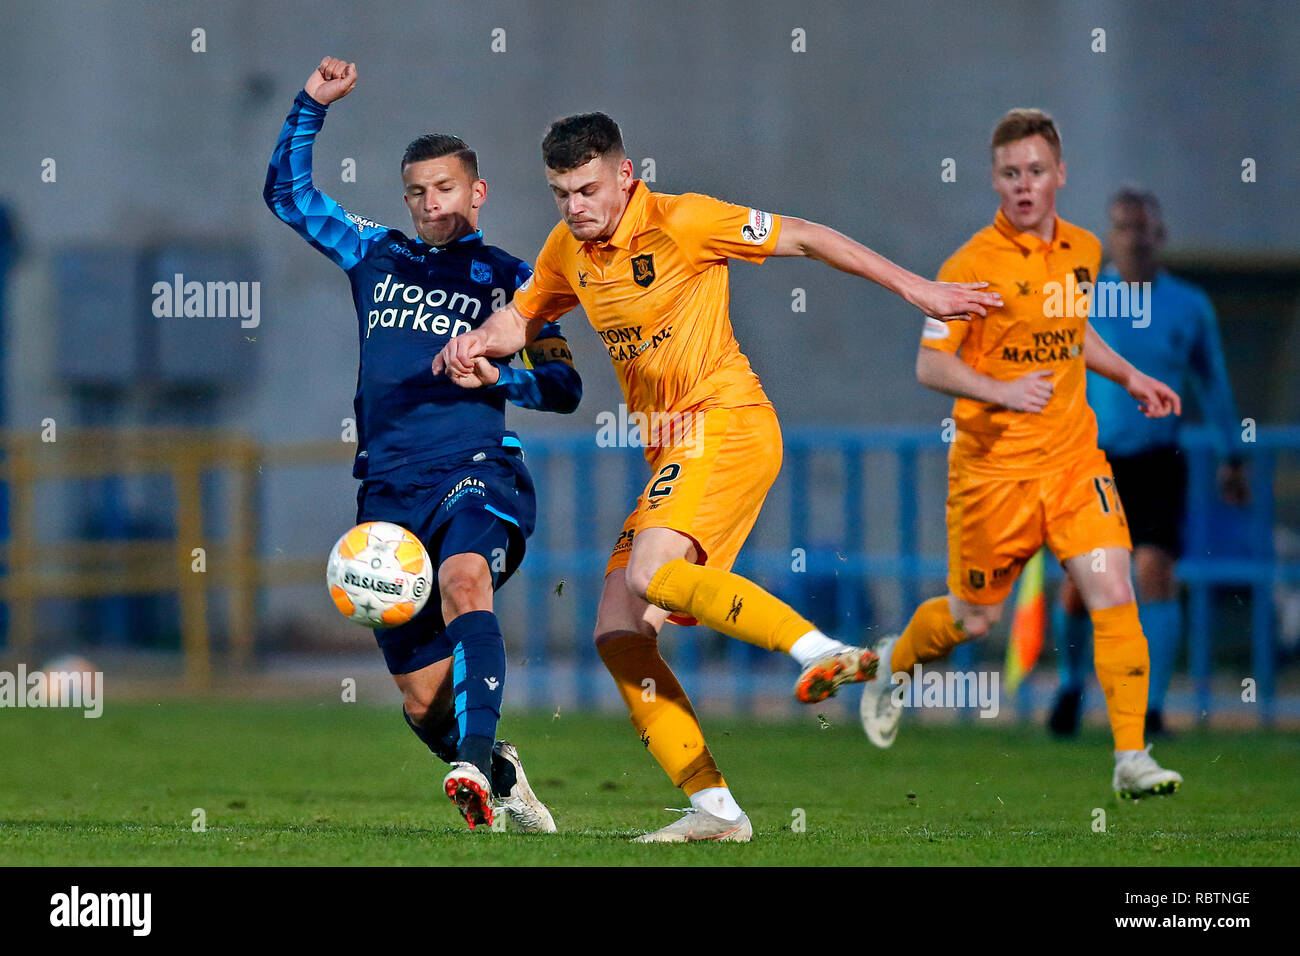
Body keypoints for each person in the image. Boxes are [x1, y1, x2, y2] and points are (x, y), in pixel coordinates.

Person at [434, 111, 1001, 841]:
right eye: (559, 194)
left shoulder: (686, 221)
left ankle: (819, 651)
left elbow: (805, 235)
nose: (574, 207)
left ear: (625, 175)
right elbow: (523, 317)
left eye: (586, 189)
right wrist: (477, 346)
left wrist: (916, 288)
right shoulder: (568, 250)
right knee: (618, 630)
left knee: (650, 572)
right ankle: (716, 810)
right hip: (674, 450)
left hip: (727, 420)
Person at [264, 57, 582, 831]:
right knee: (418, 696)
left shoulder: (517, 279)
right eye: (416, 191)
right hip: (387, 490)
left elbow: (564, 389)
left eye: (444, 188)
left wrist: (498, 381)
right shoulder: (376, 254)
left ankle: (471, 763)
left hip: (476, 473)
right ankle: (498, 769)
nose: (429, 202)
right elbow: (289, 196)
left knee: (465, 578)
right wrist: (310, 104)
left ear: (476, 191)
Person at [859, 109, 1185, 800]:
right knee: (973, 619)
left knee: (1115, 590)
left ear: (1060, 174)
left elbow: (1072, 333)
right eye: (1011, 174)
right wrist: (1000, 389)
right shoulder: (970, 266)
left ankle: (1131, 756)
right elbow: (931, 366)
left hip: (1073, 465)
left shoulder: (1083, 250)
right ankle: (894, 664)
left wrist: (1129, 376)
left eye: (1036, 171)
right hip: (992, 475)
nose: (1025, 185)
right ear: (996, 180)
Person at [1048, 187, 1247, 737]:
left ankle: (1150, 708)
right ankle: (1070, 686)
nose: (1135, 237)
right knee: (1078, 583)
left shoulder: (1189, 306)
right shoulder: (1080, 296)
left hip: (1160, 458)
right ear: (1110, 236)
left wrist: (1233, 453)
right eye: (1123, 226)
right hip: (1090, 459)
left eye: (1144, 227)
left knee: (1154, 573)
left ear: (1160, 235)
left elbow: (1213, 382)